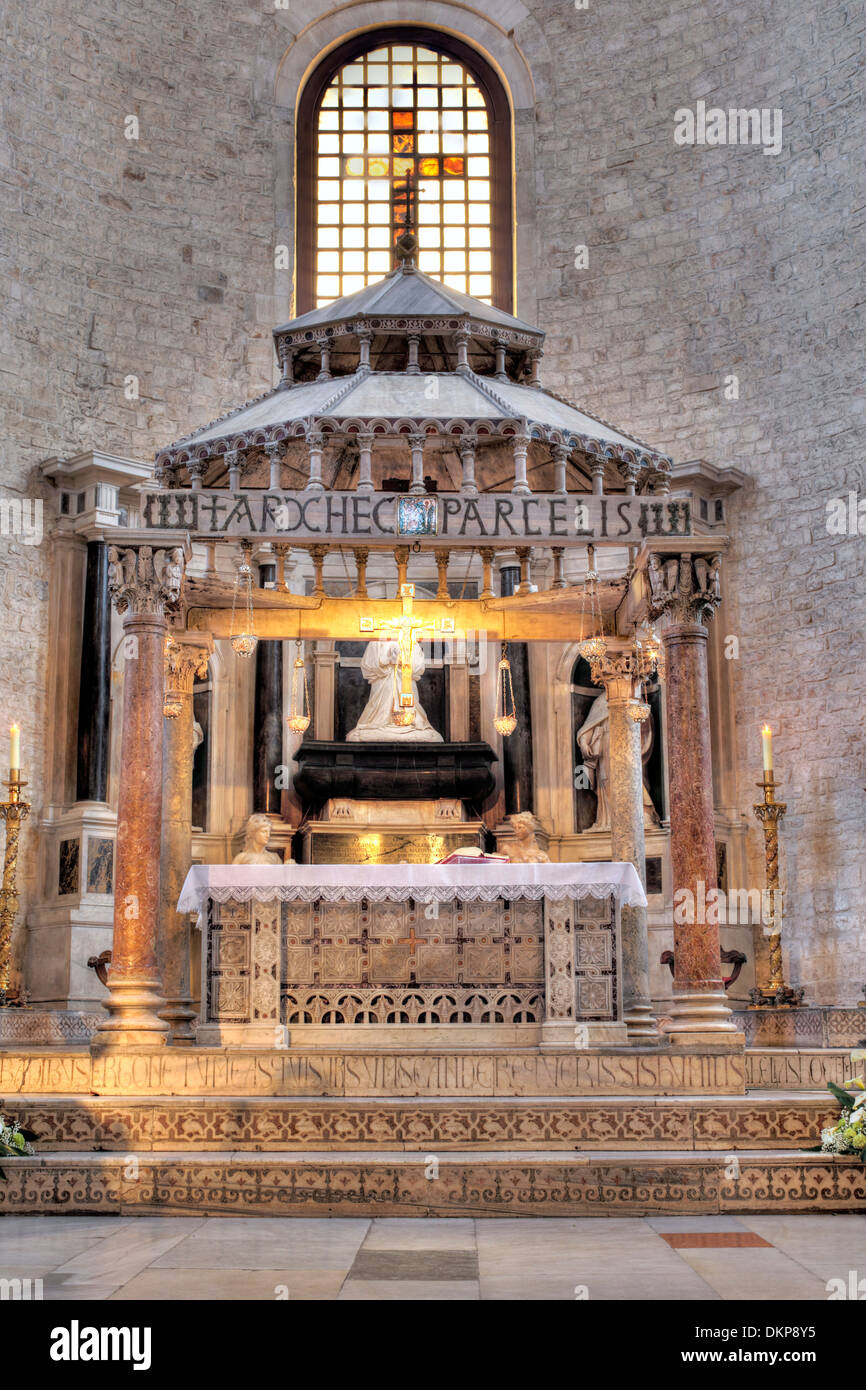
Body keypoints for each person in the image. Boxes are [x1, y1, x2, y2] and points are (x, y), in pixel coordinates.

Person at [346, 639, 442, 742]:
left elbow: (418, 667)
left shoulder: (410, 641)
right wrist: (387, 660)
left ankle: (408, 722)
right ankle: (380, 722)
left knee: (412, 707)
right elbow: (368, 665)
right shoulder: (376, 641)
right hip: (383, 681)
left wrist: (402, 661)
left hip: (405, 680)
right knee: (379, 708)